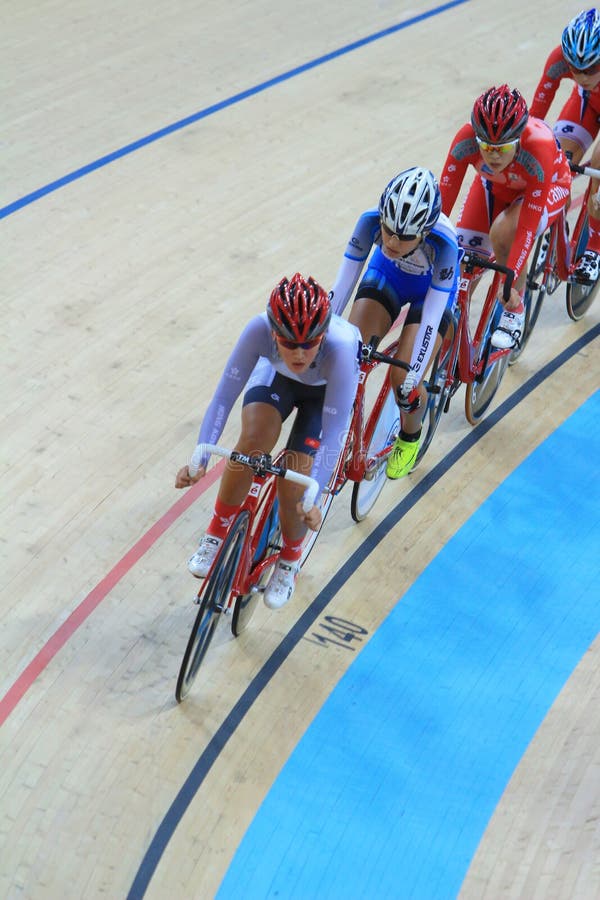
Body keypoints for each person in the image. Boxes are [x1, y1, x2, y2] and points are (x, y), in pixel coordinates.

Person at [175, 273, 361, 610]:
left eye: (309, 343)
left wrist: (314, 495)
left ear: (323, 335)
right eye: (289, 343)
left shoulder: (341, 349)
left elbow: (334, 431)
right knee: (251, 442)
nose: (300, 354)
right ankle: (215, 533)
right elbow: (223, 398)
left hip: (324, 396)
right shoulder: (258, 329)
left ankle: (289, 559)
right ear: (274, 333)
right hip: (277, 379)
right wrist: (199, 458)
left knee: (296, 477)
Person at [328, 166, 460, 481]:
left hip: (430, 295)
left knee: (404, 380)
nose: (392, 241)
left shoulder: (444, 245)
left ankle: (410, 436)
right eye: (388, 230)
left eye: (406, 237)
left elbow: (431, 321)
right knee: (347, 352)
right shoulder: (369, 222)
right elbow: (342, 288)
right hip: (387, 275)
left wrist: (414, 372)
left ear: (425, 232)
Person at [439, 84, 571, 349]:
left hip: (547, 187)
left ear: (519, 139)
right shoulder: (466, 139)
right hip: (494, 186)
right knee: (459, 274)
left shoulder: (538, 148)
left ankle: (515, 310)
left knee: (503, 233)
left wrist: (509, 278)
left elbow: (525, 229)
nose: (493, 154)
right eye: (486, 147)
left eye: (502, 148)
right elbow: (442, 205)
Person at [530, 8, 600, 282]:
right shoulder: (558, 59)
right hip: (586, 104)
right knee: (557, 158)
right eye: (575, 69)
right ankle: (556, 224)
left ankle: (594, 249)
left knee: (598, 167)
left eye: (590, 69)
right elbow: (534, 118)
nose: (582, 76)